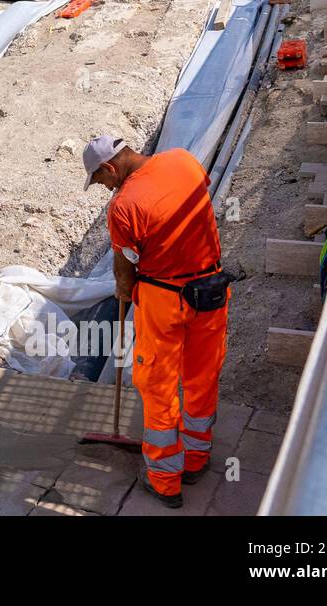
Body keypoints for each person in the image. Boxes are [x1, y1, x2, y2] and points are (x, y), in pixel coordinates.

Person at [83, 136, 229, 509]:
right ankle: (197, 458)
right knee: (202, 376)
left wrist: (122, 290)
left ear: (110, 168)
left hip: (165, 300)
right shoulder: (183, 160)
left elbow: (125, 269)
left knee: (157, 384)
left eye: (101, 181)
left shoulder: (123, 206)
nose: (106, 188)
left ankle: (165, 479)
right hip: (211, 289)